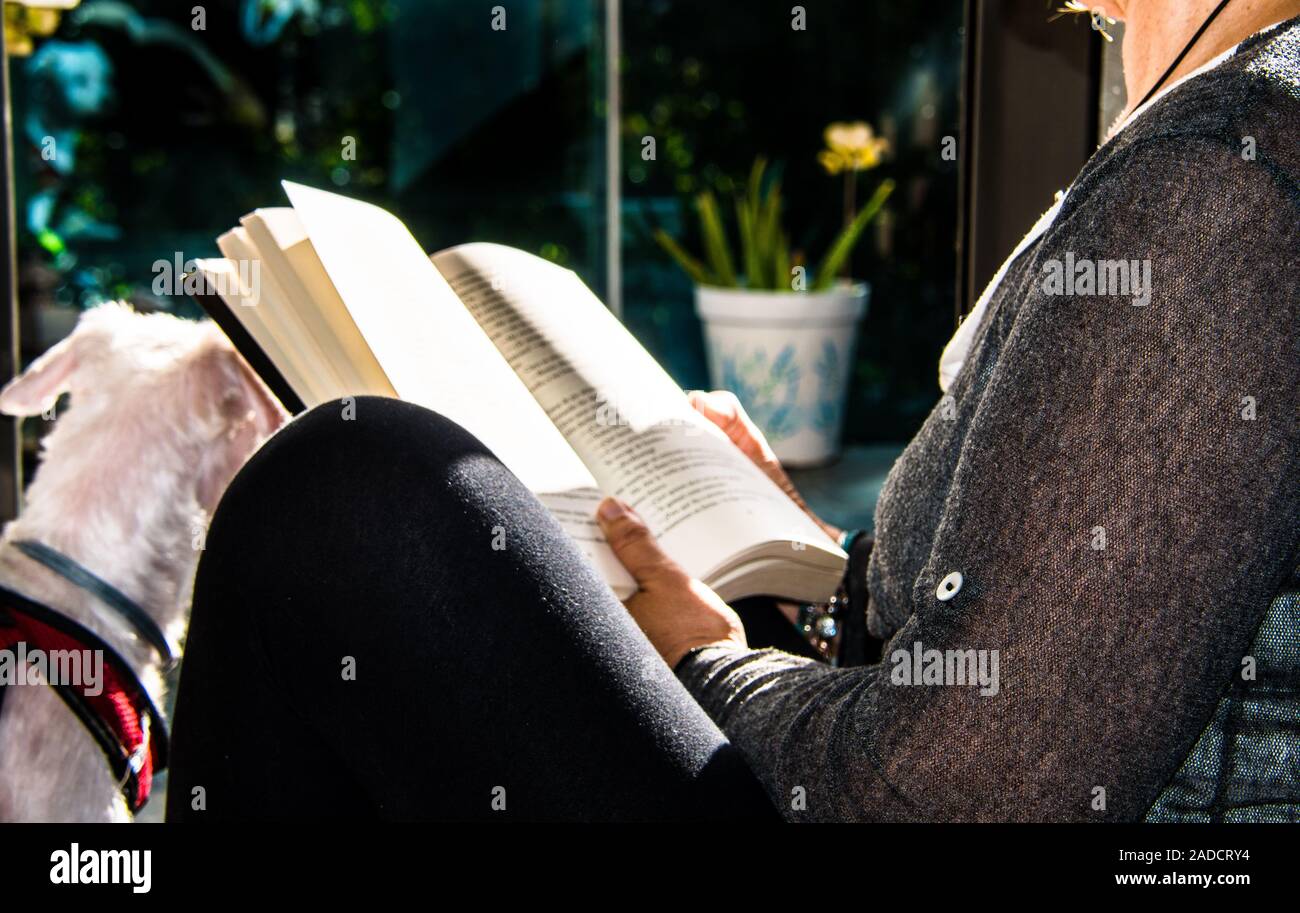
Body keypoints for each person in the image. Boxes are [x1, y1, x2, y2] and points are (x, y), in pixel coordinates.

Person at [167, 1, 1300, 822]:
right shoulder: (1209, 131)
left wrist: (710, 658)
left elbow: (958, 794)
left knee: (352, 496)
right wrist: (820, 554)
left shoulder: (1221, 178)